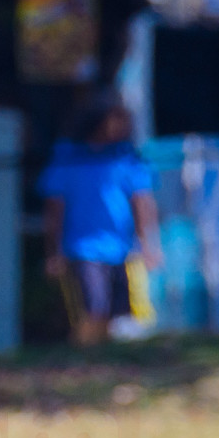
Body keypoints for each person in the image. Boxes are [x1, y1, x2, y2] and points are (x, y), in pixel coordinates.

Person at [39, 91, 161, 346]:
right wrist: (53, 251)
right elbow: (54, 211)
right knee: (93, 310)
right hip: (84, 250)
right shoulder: (68, 161)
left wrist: (149, 246)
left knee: (123, 317)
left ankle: (114, 366)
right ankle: (85, 361)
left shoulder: (128, 160)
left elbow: (142, 204)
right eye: (113, 119)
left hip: (122, 250)